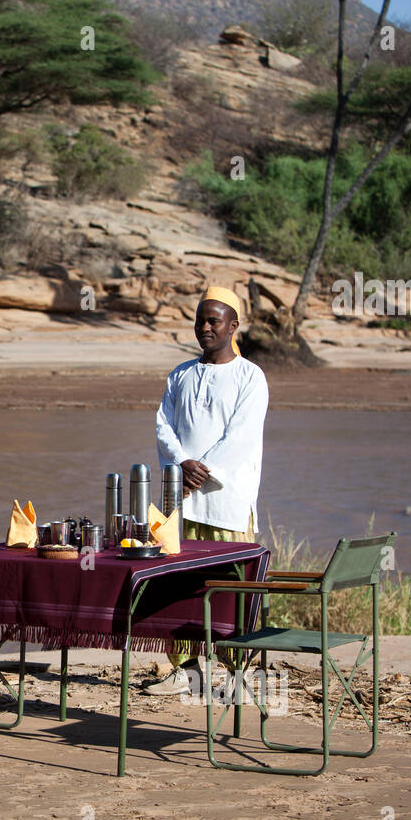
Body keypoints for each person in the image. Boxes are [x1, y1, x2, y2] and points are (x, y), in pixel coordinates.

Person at [145, 286, 269, 695]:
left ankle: (238, 676)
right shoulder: (180, 374)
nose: (204, 327)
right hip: (180, 498)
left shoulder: (251, 376)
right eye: (200, 319)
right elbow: (164, 425)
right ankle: (186, 671)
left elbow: (242, 437)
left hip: (227, 503)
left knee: (231, 590)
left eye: (214, 320)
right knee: (177, 586)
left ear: (233, 326)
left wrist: (202, 470)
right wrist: (181, 464)